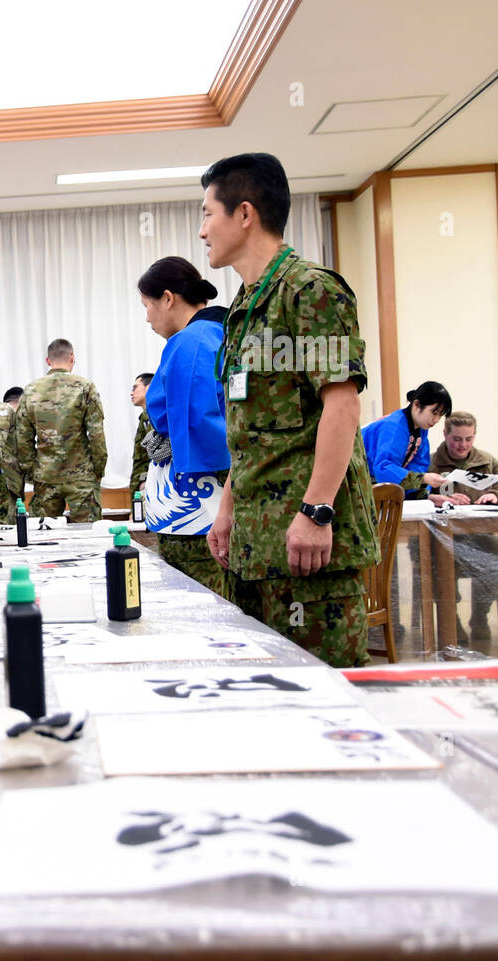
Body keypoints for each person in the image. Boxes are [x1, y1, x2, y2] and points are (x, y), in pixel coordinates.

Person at [201, 152, 379, 667]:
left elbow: (342, 406)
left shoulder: (310, 291)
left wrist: (316, 511)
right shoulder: (244, 306)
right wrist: (228, 509)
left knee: (327, 704)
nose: (202, 231)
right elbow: (252, 430)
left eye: (207, 214)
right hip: (257, 549)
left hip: (309, 550)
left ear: (245, 214)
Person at [137, 257, 230, 597]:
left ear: (167, 298)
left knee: (198, 605)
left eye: (147, 305)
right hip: (209, 504)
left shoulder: (190, 341)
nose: (147, 316)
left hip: (195, 509)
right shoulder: (219, 331)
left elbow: (199, 425)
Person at [4, 339, 107, 521]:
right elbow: (96, 434)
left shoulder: (31, 391)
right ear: (72, 357)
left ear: (48, 360)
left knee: (44, 536)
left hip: (45, 476)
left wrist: (32, 471)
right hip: (80, 476)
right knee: (89, 536)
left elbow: (23, 437)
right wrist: (98, 470)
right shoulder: (85, 387)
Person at [427, 412, 498, 645]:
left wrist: (492, 494)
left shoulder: (488, 462)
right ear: (445, 434)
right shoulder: (431, 463)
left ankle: (479, 619)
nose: (463, 445)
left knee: (493, 563)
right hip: (439, 537)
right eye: (457, 439)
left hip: (479, 535)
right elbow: (415, 493)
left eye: (468, 439)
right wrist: (434, 497)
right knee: (440, 567)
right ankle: (451, 622)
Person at [362, 381, 452, 499]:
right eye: (434, 413)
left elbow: (418, 466)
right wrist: (423, 479)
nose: (436, 419)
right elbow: (384, 468)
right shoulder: (394, 426)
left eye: (441, 415)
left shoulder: (421, 429)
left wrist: (425, 495)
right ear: (416, 405)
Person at [129, 373, 154, 500]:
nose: (131, 393)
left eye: (135, 388)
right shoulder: (145, 418)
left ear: (148, 387)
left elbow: (156, 457)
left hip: (152, 487)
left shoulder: (155, 417)